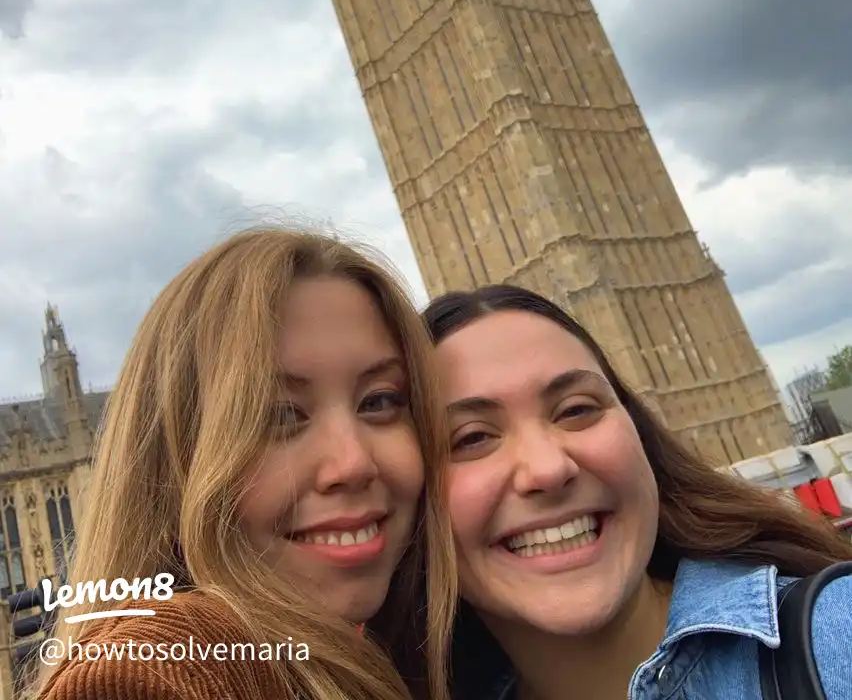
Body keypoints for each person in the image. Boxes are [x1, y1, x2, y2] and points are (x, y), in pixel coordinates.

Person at [35, 227, 456, 700]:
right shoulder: (151, 670)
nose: (353, 463)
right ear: (176, 462)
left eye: (379, 401)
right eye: (276, 414)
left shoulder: (425, 647)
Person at [423, 284, 852, 700]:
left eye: (576, 410)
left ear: (640, 435)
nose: (549, 469)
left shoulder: (836, 636)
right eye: (472, 437)